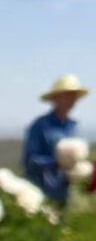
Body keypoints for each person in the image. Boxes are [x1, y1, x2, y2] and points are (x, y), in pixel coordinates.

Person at [23, 74, 89, 204]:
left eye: (74, 96)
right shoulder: (40, 126)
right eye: (67, 95)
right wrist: (57, 162)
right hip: (41, 194)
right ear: (55, 98)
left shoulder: (73, 126)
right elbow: (30, 160)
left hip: (64, 194)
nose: (71, 100)